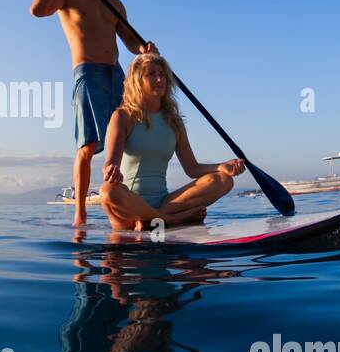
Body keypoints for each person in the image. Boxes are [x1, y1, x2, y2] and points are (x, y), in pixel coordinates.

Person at [30, 0, 156, 226]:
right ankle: (80, 215)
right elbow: (36, 10)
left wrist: (144, 49)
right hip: (87, 74)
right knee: (87, 146)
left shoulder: (115, 5)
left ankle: (131, 205)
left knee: (129, 136)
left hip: (117, 75)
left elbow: (130, 42)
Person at [99, 52, 244, 231]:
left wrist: (221, 166)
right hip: (129, 206)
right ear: (137, 81)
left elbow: (192, 168)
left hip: (165, 202)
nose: (159, 79)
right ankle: (169, 220)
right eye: (152, 74)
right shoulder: (122, 116)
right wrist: (110, 170)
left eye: (162, 75)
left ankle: (155, 217)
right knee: (108, 192)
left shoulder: (174, 121)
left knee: (224, 180)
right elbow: (110, 163)